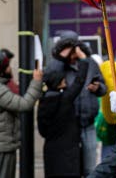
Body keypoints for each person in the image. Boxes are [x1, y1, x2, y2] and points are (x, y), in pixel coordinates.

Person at [46, 31, 106, 176]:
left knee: (90, 168)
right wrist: (61, 58)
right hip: (67, 127)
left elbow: (103, 87)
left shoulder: (90, 62)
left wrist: (98, 87)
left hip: (88, 124)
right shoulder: (57, 65)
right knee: (70, 168)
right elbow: (49, 79)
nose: (73, 55)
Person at [0, 49, 43, 178]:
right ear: (0, 70)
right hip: (2, 145)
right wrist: (36, 81)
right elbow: (24, 104)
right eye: (7, 66)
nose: (10, 68)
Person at [38, 44, 90, 178]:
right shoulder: (64, 99)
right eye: (63, 80)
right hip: (67, 153)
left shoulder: (43, 101)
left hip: (51, 152)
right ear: (58, 83)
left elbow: (42, 130)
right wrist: (83, 60)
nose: (66, 81)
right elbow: (79, 82)